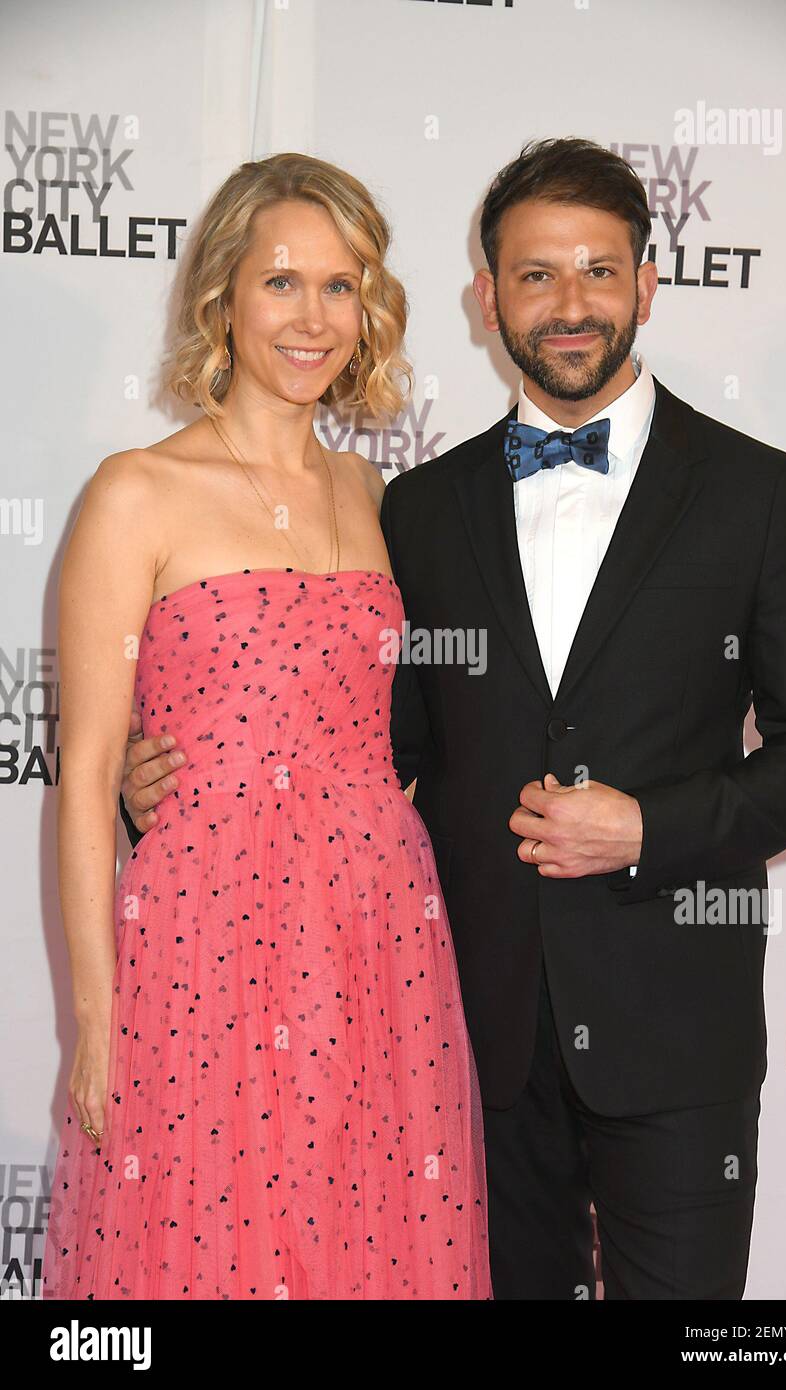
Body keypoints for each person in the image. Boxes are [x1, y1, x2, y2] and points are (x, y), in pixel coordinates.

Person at [119, 138, 786, 1301]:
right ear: (487, 296)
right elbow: (371, 748)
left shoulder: (755, 492)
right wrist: (166, 784)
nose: (568, 306)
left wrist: (647, 827)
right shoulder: (417, 506)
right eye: (533, 276)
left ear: (647, 283)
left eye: (597, 272)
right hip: (466, 1038)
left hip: (674, 1037)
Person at [43, 152, 491, 1301]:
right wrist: (96, 1018)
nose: (313, 317)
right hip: (203, 934)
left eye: (340, 286)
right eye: (282, 282)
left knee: (365, 1231)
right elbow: (88, 777)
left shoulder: (374, 496)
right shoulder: (135, 490)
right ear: (222, 298)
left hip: (373, 930)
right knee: (202, 1242)